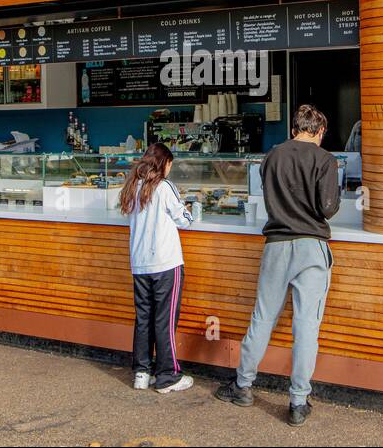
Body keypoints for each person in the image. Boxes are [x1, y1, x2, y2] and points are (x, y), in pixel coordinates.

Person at [216, 104, 340, 425]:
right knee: (306, 327)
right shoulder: (325, 160)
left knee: (262, 318)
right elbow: (328, 208)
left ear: (294, 128)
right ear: (320, 131)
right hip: (311, 249)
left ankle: (243, 386)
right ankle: (298, 402)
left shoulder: (271, 157)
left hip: (276, 247)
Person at [119, 142, 194, 393]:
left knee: (144, 318)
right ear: (165, 164)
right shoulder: (164, 186)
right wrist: (189, 212)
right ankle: (167, 376)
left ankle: (142, 372)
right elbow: (183, 220)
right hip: (165, 263)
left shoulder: (132, 186)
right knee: (165, 319)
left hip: (139, 264)